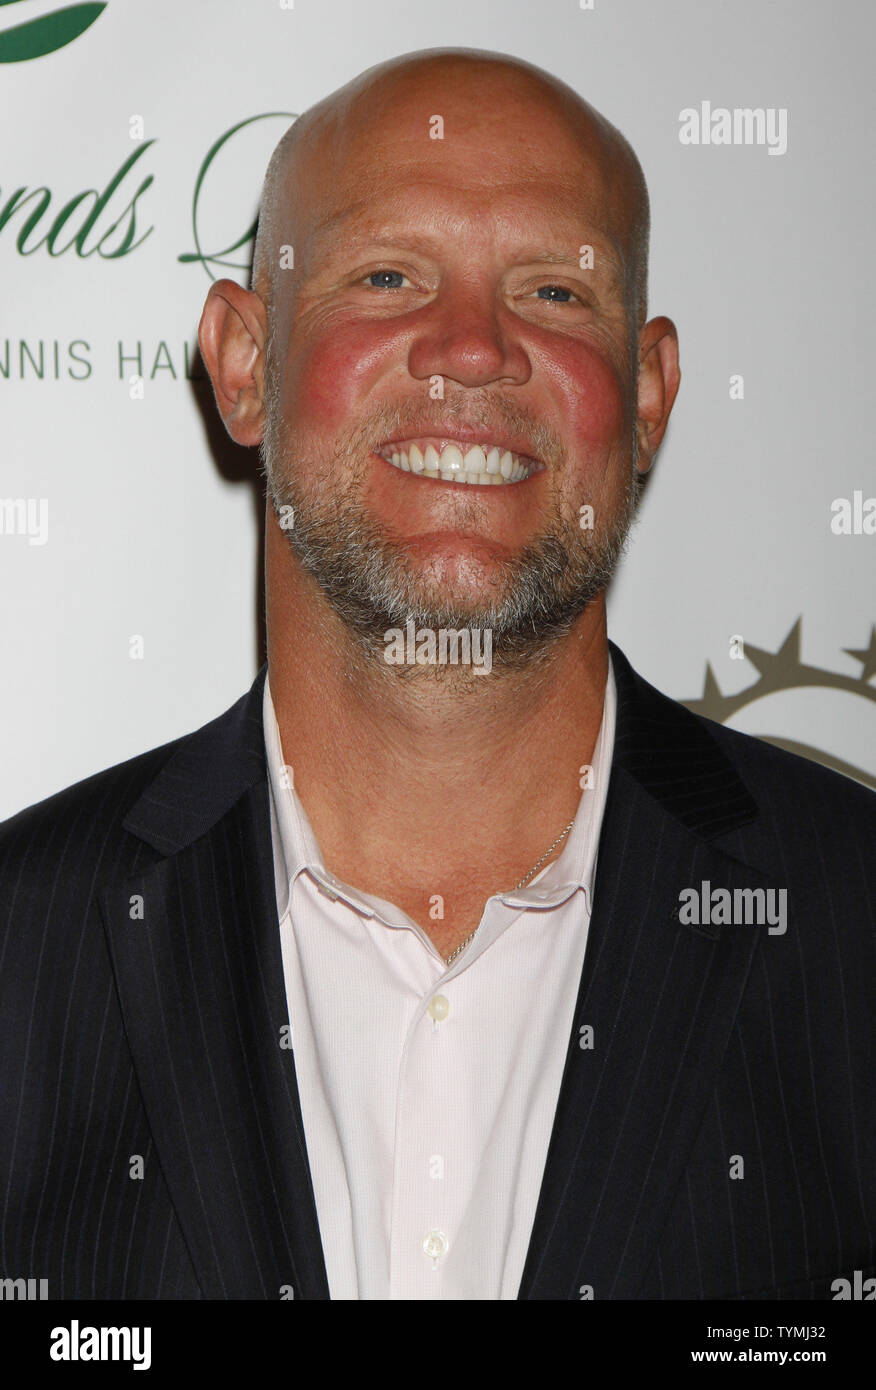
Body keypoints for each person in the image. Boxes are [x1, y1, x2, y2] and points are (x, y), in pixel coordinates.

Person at [1, 49, 873, 1302]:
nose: (472, 349)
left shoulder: (852, 920)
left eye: (558, 291)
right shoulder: (22, 955)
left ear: (648, 396)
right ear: (245, 362)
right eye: (388, 274)